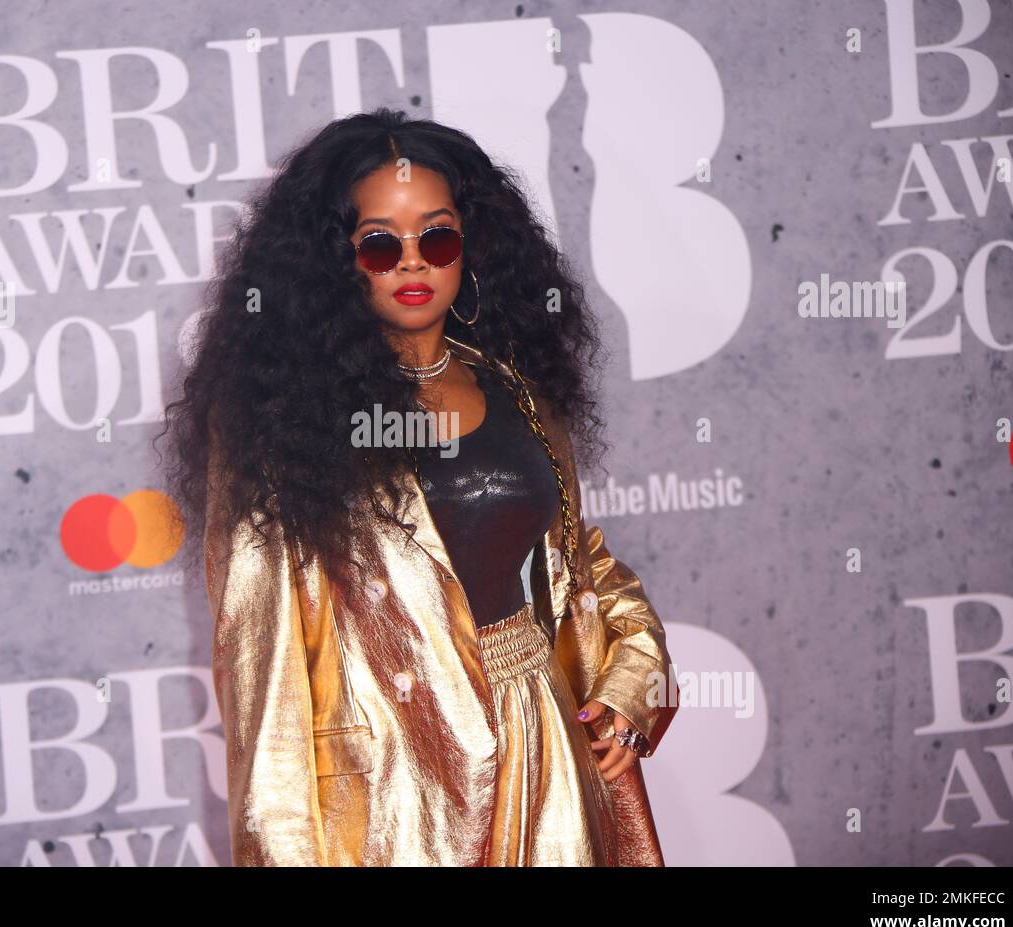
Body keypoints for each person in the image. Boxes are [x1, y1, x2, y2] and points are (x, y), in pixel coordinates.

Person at [160, 107, 678, 866]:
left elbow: (583, 569)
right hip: (397, 791)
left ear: (470, 249)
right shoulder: (281, 427)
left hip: (545, 741)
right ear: (335, 261)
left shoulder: (517, 392)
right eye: (379, 245)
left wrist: (631, 688)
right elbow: (263, 673)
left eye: (436, 237)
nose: (413, 262)